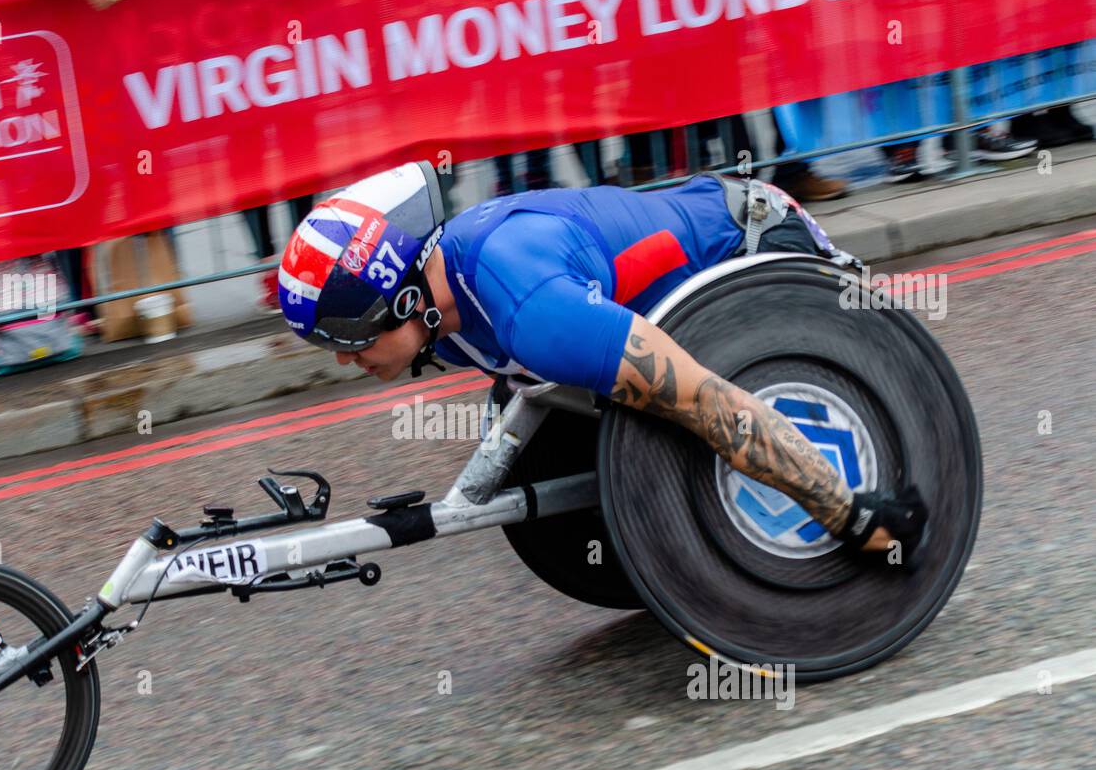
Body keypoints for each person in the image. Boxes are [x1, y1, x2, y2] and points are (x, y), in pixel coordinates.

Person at [276, 162, 928, 563]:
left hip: (758, 244)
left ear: (405, 296)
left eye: (350, 335)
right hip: (669, 261)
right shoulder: (441, 301)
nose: (343, 356)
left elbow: (708, 402)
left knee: (677, 399)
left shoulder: (529, 308)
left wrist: (851, 513)